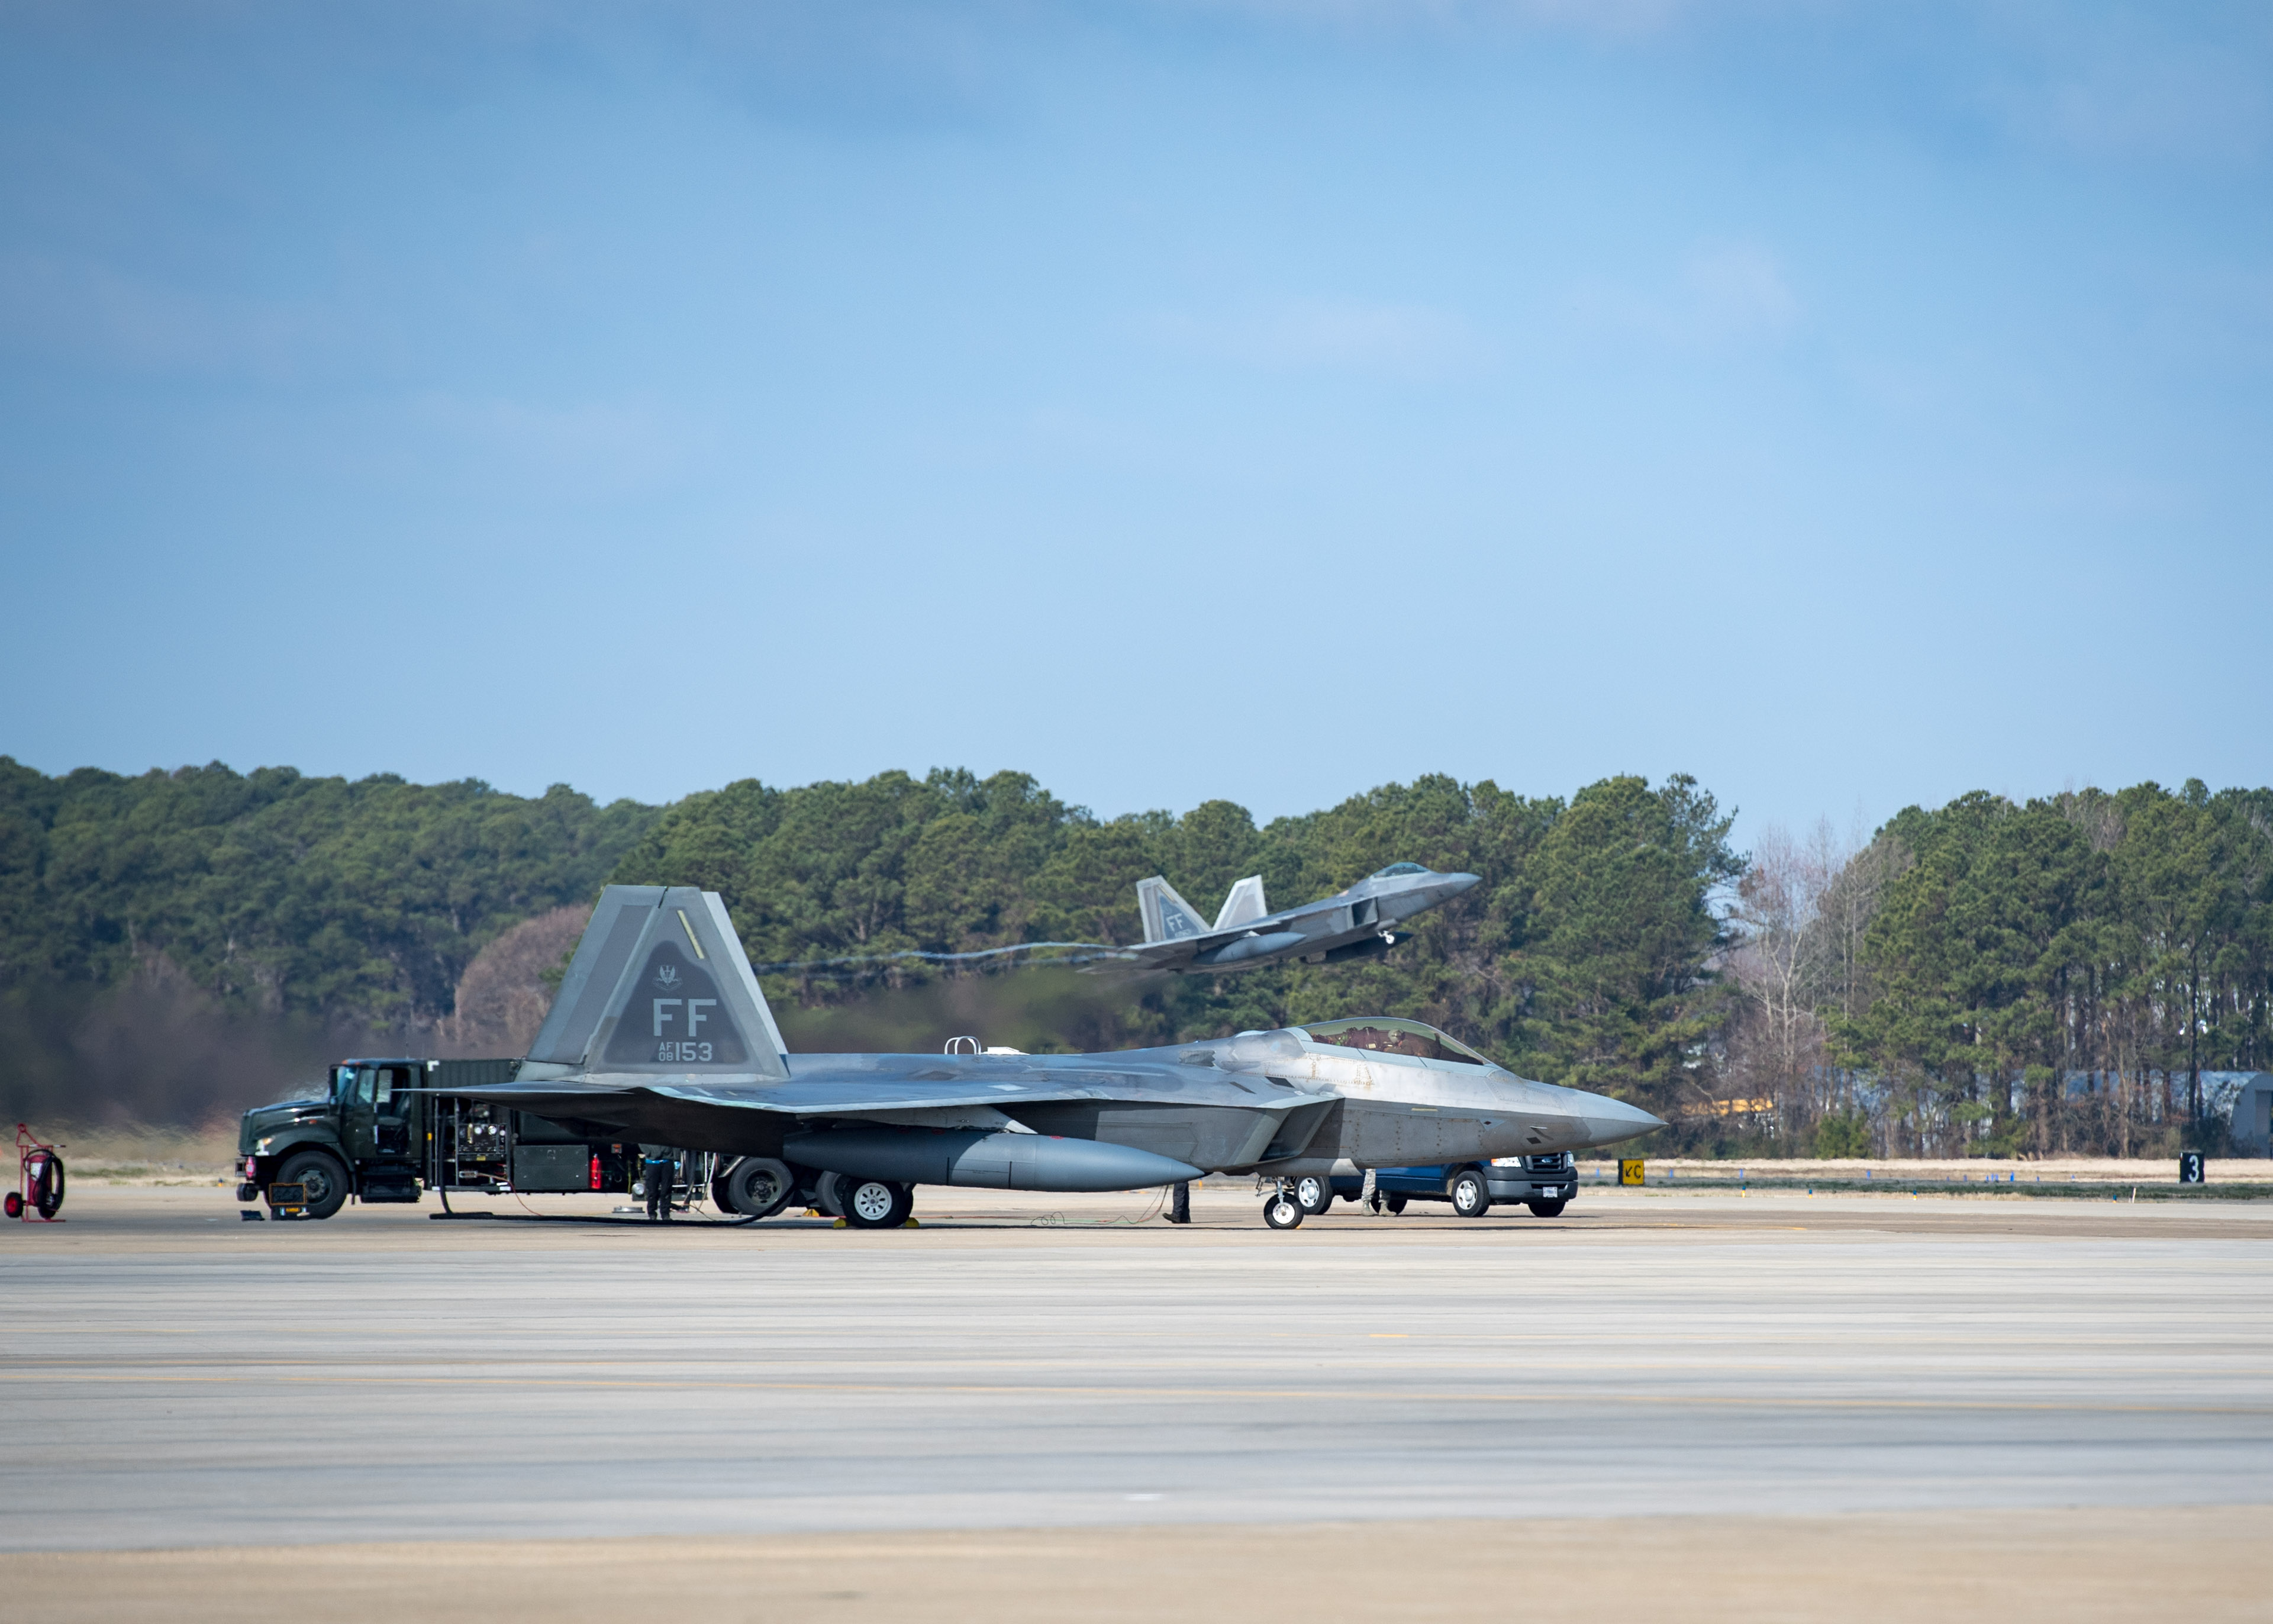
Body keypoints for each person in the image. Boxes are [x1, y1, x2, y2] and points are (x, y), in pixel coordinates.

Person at [642, 1151, 678, 1222]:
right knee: (652, 1190)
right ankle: (652, 1213)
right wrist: (649, 1152)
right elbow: (642, 1144)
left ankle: (665, 1214)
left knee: (666, 1190)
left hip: (667, 1161)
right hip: (652, 1162)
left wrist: (677, 1158)